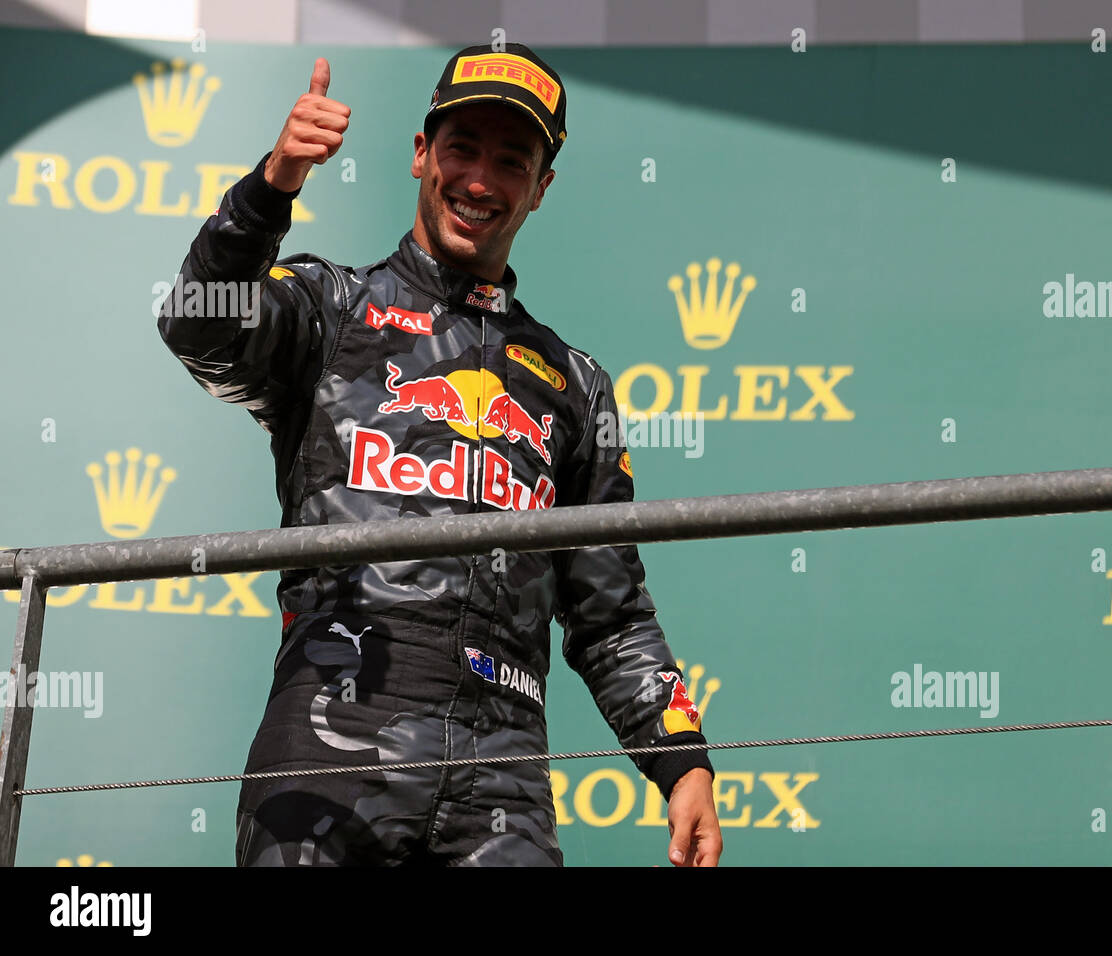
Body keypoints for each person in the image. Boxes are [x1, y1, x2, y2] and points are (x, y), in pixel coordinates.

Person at [157, 43, 722, 867]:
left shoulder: (576, 384)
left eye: (511, 160)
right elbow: (198, 327)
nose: (481, 181)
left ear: (542, 187)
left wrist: (682, 762)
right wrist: (271, 186)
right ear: (422, 153)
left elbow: (611, 613)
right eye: (461, 148)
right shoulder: (331, 306)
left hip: (505, 763)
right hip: (335, 718)